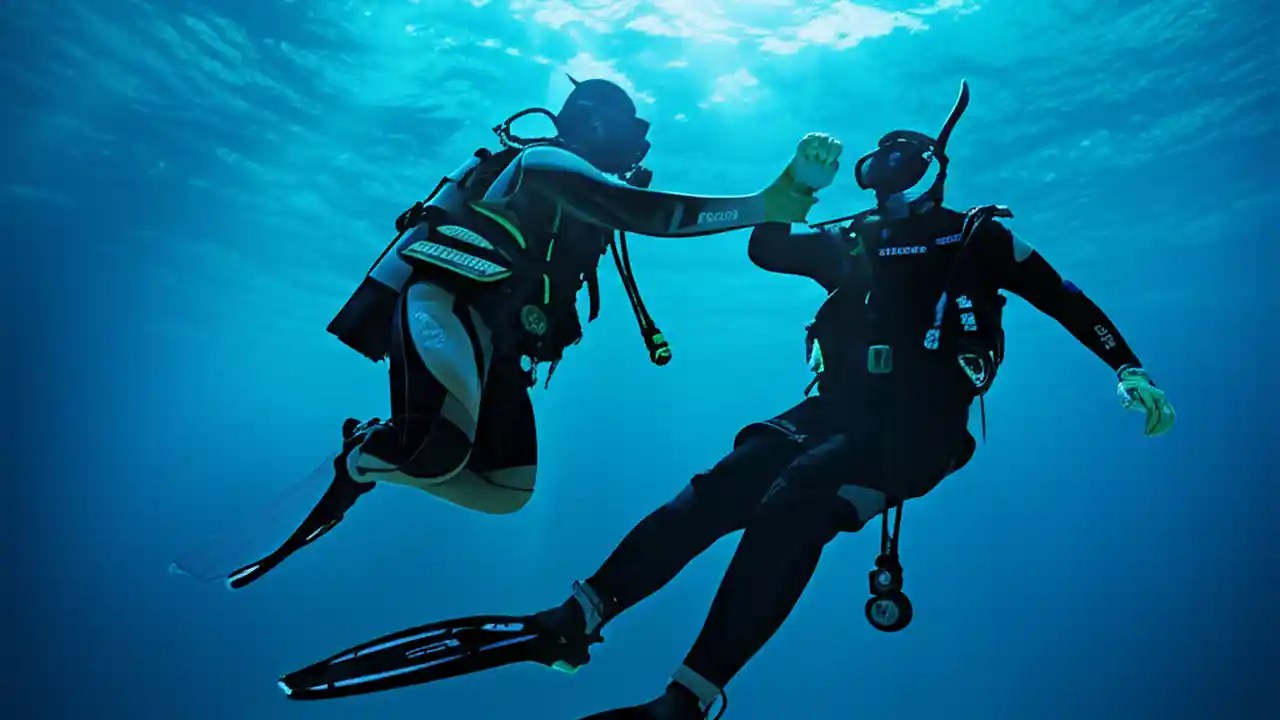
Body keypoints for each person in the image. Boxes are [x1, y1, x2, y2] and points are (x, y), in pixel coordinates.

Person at [274, 81, 1176, 719]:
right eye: (875, 164)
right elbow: (770, 252)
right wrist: (797, 195)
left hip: (923, 426)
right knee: (722, 487)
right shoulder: (854, 240)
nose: (884, 175)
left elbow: (1068, 299)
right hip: (832, 408)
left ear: (933, 167)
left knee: (797, 501)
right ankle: (576, 618)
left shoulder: (978, 239)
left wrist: (1126, 368)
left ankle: (690, 697)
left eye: (898, 161)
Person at [223, 77, 838, 590]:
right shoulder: (545, 159)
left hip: (501, 351)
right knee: (436, 451)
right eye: (627, 128)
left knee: (506, 490)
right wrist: (766, 203)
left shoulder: (582, 185)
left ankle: (367, 462)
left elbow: (621, 218)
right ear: (592, 123)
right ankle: (369, 454)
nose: (635, 145)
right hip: (447, 305)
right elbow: (647, 215)